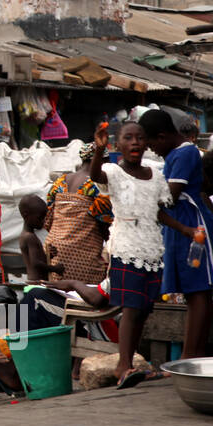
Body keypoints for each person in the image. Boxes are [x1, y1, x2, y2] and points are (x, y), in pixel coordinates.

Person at [90, 121, 196, 388]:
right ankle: (123, 366)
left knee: (143, 309)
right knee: (131, 307)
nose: (135, 142)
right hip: (126, 248)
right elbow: (96, 176)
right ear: (119, 145)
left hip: (151, 248)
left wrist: (184, 229)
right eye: (129, 138)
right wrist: (99, 151)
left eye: (140, 138)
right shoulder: (113, 171)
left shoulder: (156, 176)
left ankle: (126, 364)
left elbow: (157, 212)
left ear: (146, 143)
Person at [139, 109, 213, 361]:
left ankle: (193, 352)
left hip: (193, 227)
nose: (153, 151)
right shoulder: (176, 154)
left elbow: (170, 194)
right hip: (180, 226)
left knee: (198, 289)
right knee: (192, 290)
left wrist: (142, 194)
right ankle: (191, 352)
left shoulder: (186, 152)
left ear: (162, 136)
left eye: (151, 145)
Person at [43, 142, 112, 284]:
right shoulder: (97, 185)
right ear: (102, 161)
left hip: (55, 248)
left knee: (58, 294)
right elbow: (104, 223)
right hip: (83, 251)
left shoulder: (60, 181)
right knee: (84, 297)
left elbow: (48, 219)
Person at [17, 195, 57, 281]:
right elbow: (36, 264)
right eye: (40, 218)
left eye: (44, 218)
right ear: (26, 215)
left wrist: (49, 256)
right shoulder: (29, 237)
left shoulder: (27, 235)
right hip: (36, 283)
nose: (43, 221)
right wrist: (55, 269)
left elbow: (37, 259)